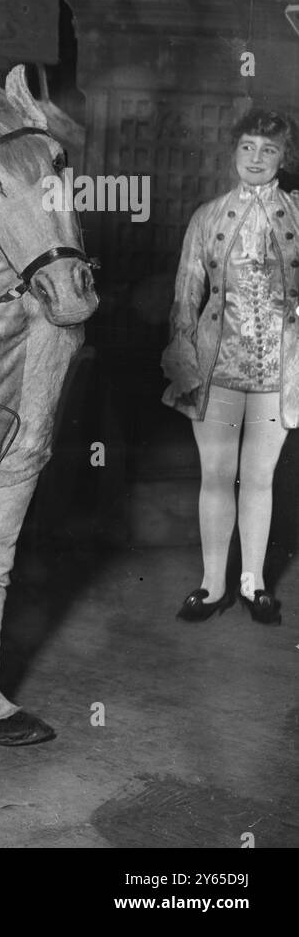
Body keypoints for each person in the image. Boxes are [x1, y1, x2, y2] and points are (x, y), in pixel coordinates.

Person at [162, 107, 299, 625]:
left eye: (268, 150)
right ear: (233, 154)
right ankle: (211, 584)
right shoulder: (208, 216)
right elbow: (185, 293)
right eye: (247, 147)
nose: (256, 158)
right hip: (216, 364)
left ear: (283, 157)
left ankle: (254, 584)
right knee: (216, 476)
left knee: (259, 479)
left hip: (277, 370)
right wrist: (182, 355)